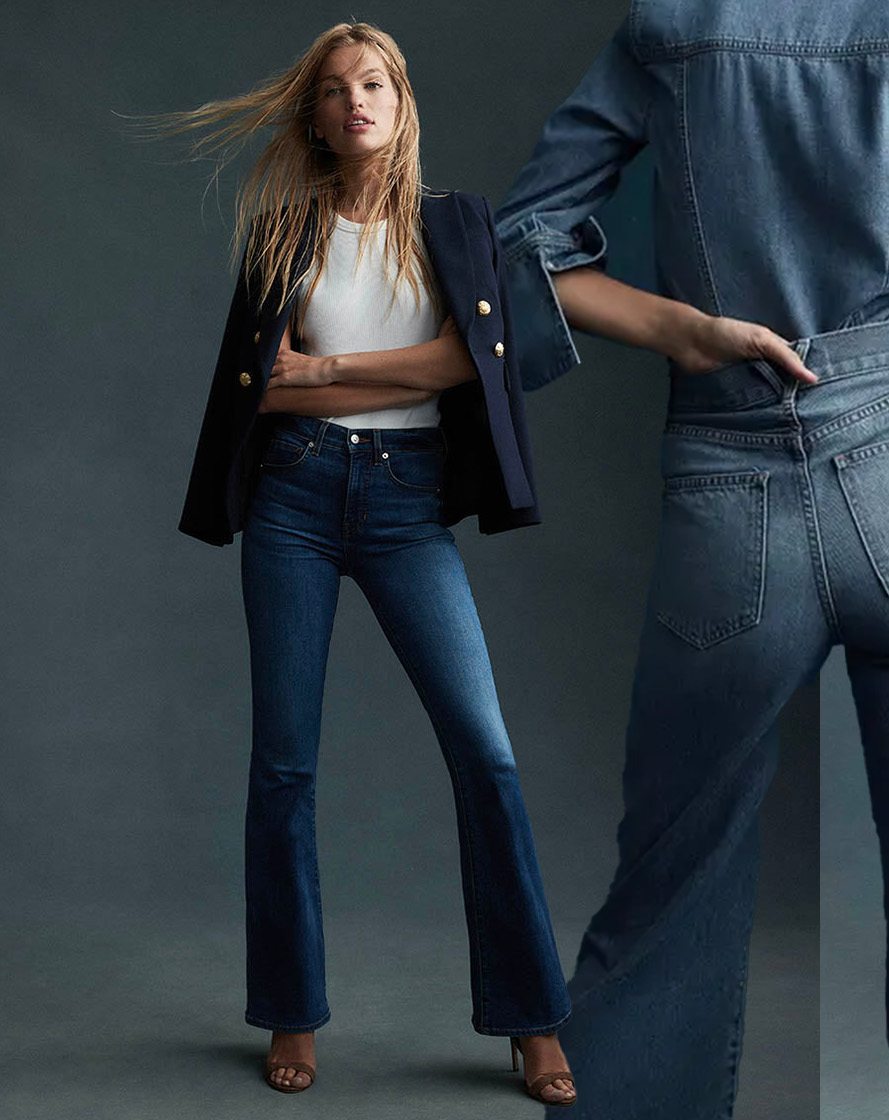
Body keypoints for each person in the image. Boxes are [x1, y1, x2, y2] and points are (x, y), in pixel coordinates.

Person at [495, 0, 889, 1116]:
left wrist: (681, 329)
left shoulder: (675, 18)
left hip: (723, 487)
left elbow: (520, 243)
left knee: (668, 887)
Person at [169, 22, 576, 1105]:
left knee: (484, 754)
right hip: (294, 497)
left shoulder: (456, 228)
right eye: (338, 88)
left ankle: (533, 1019)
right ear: (314, 114)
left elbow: (465, 363)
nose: (358, 101)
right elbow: (257, 392)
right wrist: (317, 384)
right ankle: (291, 1012)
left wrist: (328, 367)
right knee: (285, 764)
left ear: (401, 101)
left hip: (406, 504)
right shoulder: (284, 234)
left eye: (376, 82)